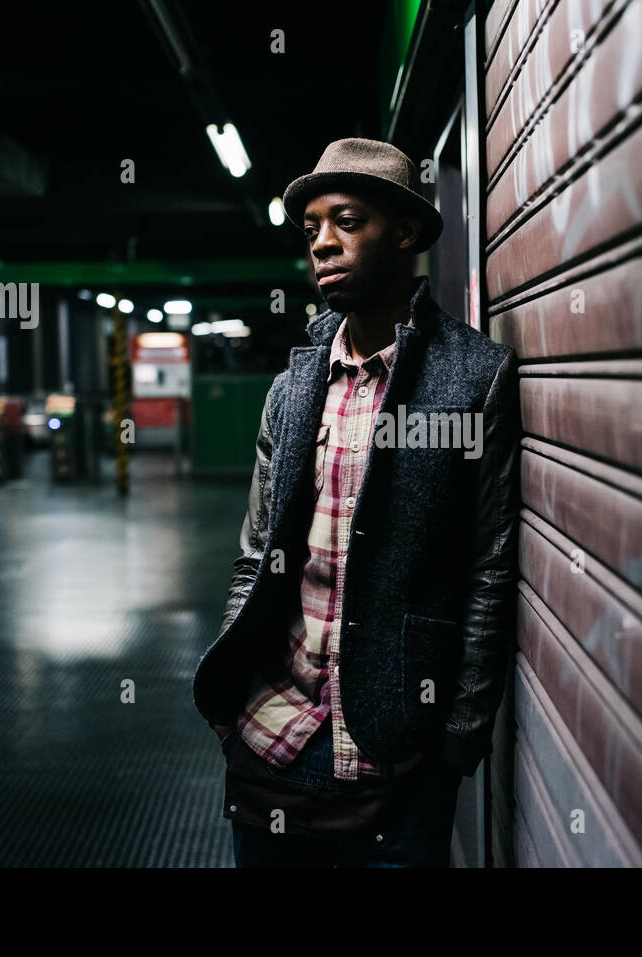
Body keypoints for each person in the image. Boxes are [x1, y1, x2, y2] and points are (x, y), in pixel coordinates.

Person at [192, 137, 521, 867]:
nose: (323, 244)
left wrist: (458, 740)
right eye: (310, 229)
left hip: (398, 760)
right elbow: (256, 554)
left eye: (345, 221)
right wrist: (231, 703)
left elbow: (490, 566)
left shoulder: (474, 378)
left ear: (404, 231)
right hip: (272, 738)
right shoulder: (293, 388)